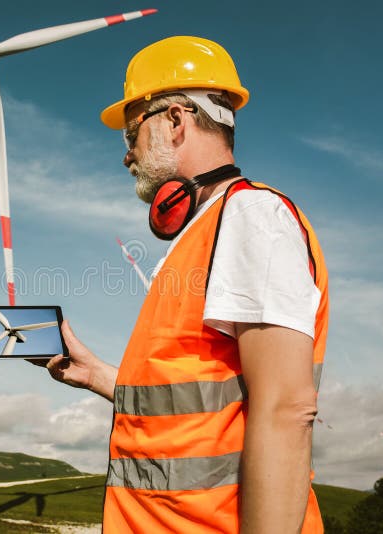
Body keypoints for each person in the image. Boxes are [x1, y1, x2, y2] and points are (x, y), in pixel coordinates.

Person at [41, 37, 329, 533]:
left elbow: (286, 409)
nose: (126, 156)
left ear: (175, 120)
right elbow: (198, 402)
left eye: (131, 134)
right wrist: (96, 376)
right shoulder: (207, 229)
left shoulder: (252, 216)